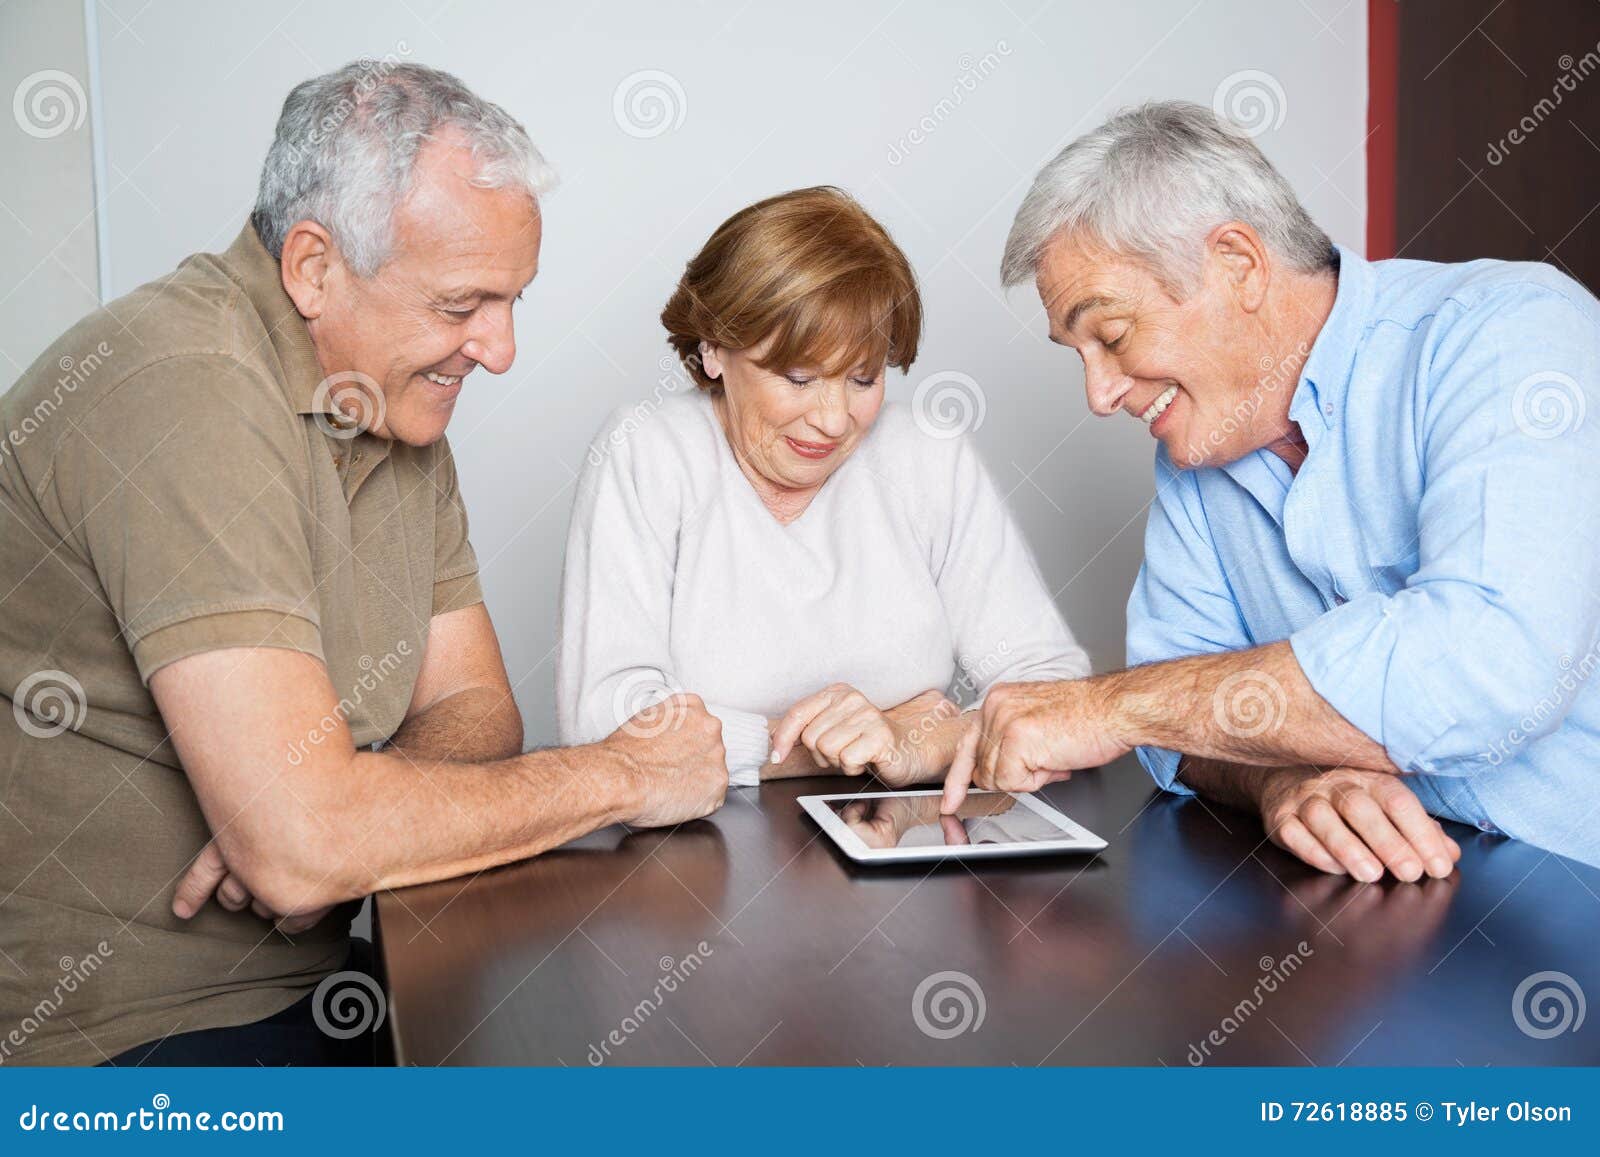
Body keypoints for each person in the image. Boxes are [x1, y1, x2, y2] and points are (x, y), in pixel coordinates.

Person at [0, 61, 726, 1067]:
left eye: (512, 300)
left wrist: (337, 814)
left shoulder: (390, 401)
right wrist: (623, 774)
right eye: (462, 302)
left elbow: (478, 711)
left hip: (331, 978)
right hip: (110, 1048)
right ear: (312, 267)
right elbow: (303, 851)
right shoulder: (182, 386)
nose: (501, 348)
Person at [943, 100, 1600, 876]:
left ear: (1238, 266)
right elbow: (1176, 744)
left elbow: (1490, 667)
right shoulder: (1198, 454)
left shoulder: (1511, 333)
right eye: (1076, 352)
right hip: (1404, 908)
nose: (1097, 394)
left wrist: (1109, 704)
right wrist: (1279, 776)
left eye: (1111, 336)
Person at [558, 186, 1089, 790]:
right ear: (713, 348)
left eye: (862, 379)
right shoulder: (646, 450)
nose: (834, 420)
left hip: (900, 851)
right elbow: (605, 723)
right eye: (800, 377)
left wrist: (930, 740)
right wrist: (832, 746)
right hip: (699, 856)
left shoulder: (926, 453)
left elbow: (1054, 691)